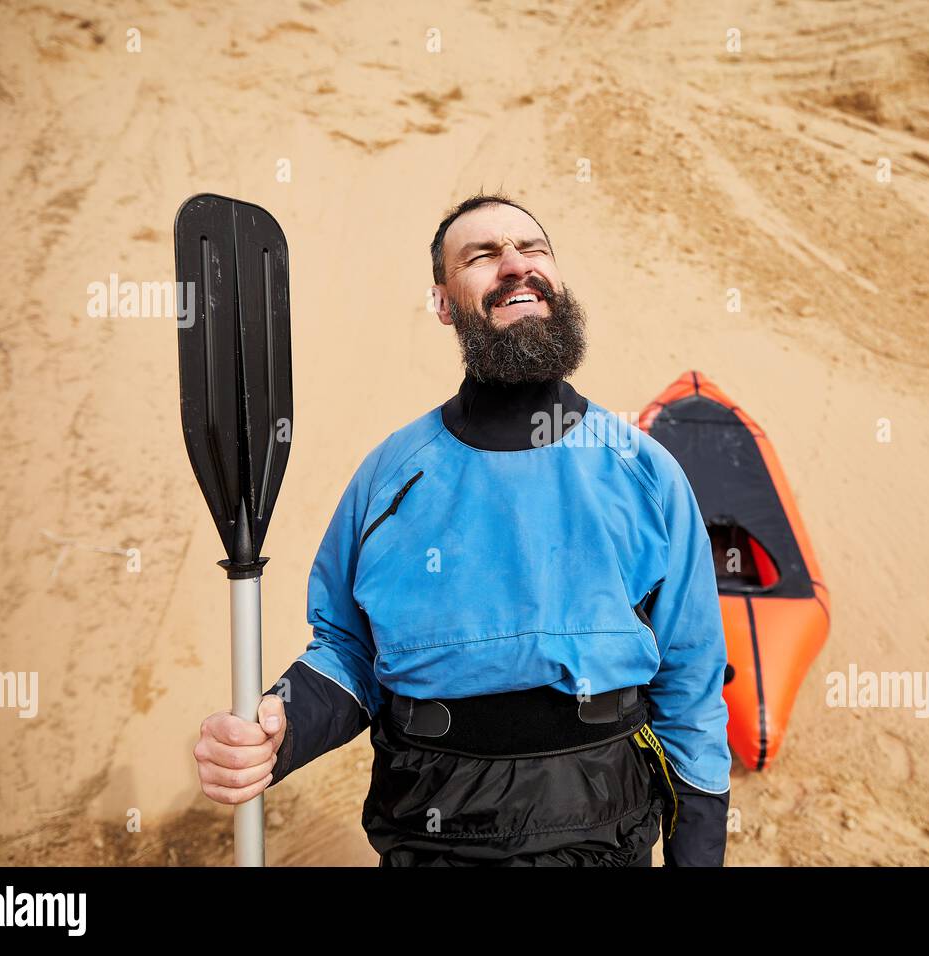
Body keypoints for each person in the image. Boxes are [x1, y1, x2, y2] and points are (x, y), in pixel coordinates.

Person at [194, 192, 731, 866]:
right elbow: (349, 649)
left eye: (533, 249)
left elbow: (691, 689)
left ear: (556, 284)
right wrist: (282, 726)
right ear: (444, 303)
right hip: (430, 828)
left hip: (602, 830)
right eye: (482, 255)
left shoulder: (643, 471)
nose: (516, 264)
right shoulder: (391, 475)